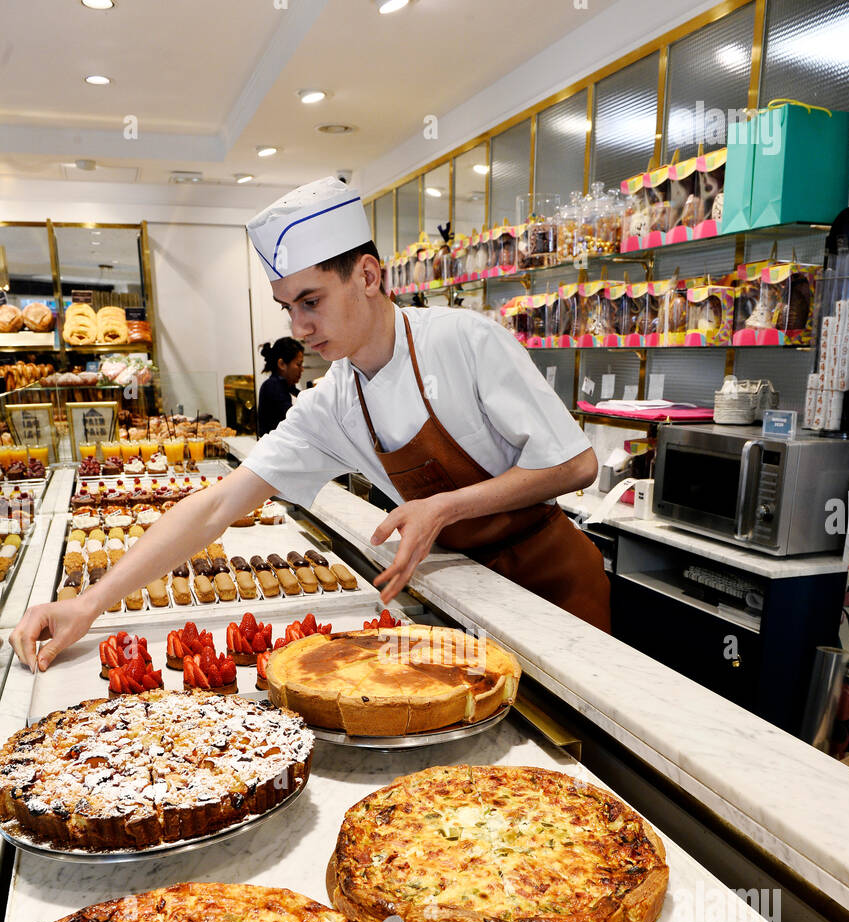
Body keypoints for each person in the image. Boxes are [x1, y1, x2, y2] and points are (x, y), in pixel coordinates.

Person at [10, 177, 609, 673]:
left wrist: (443, 508)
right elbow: (217, 507)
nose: (298, 328)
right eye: (287, 308)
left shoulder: (465, 340)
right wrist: (88, 605)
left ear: (367, 277)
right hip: (470, 597)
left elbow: (576, 465)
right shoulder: (335, 400)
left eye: (311, 301)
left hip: (558, 588)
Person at [257, 337, 303, 434]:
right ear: (282, 364)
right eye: (298, 364)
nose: (302, 369)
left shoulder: (288, 387)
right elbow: (294, 419)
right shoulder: (273, 386)